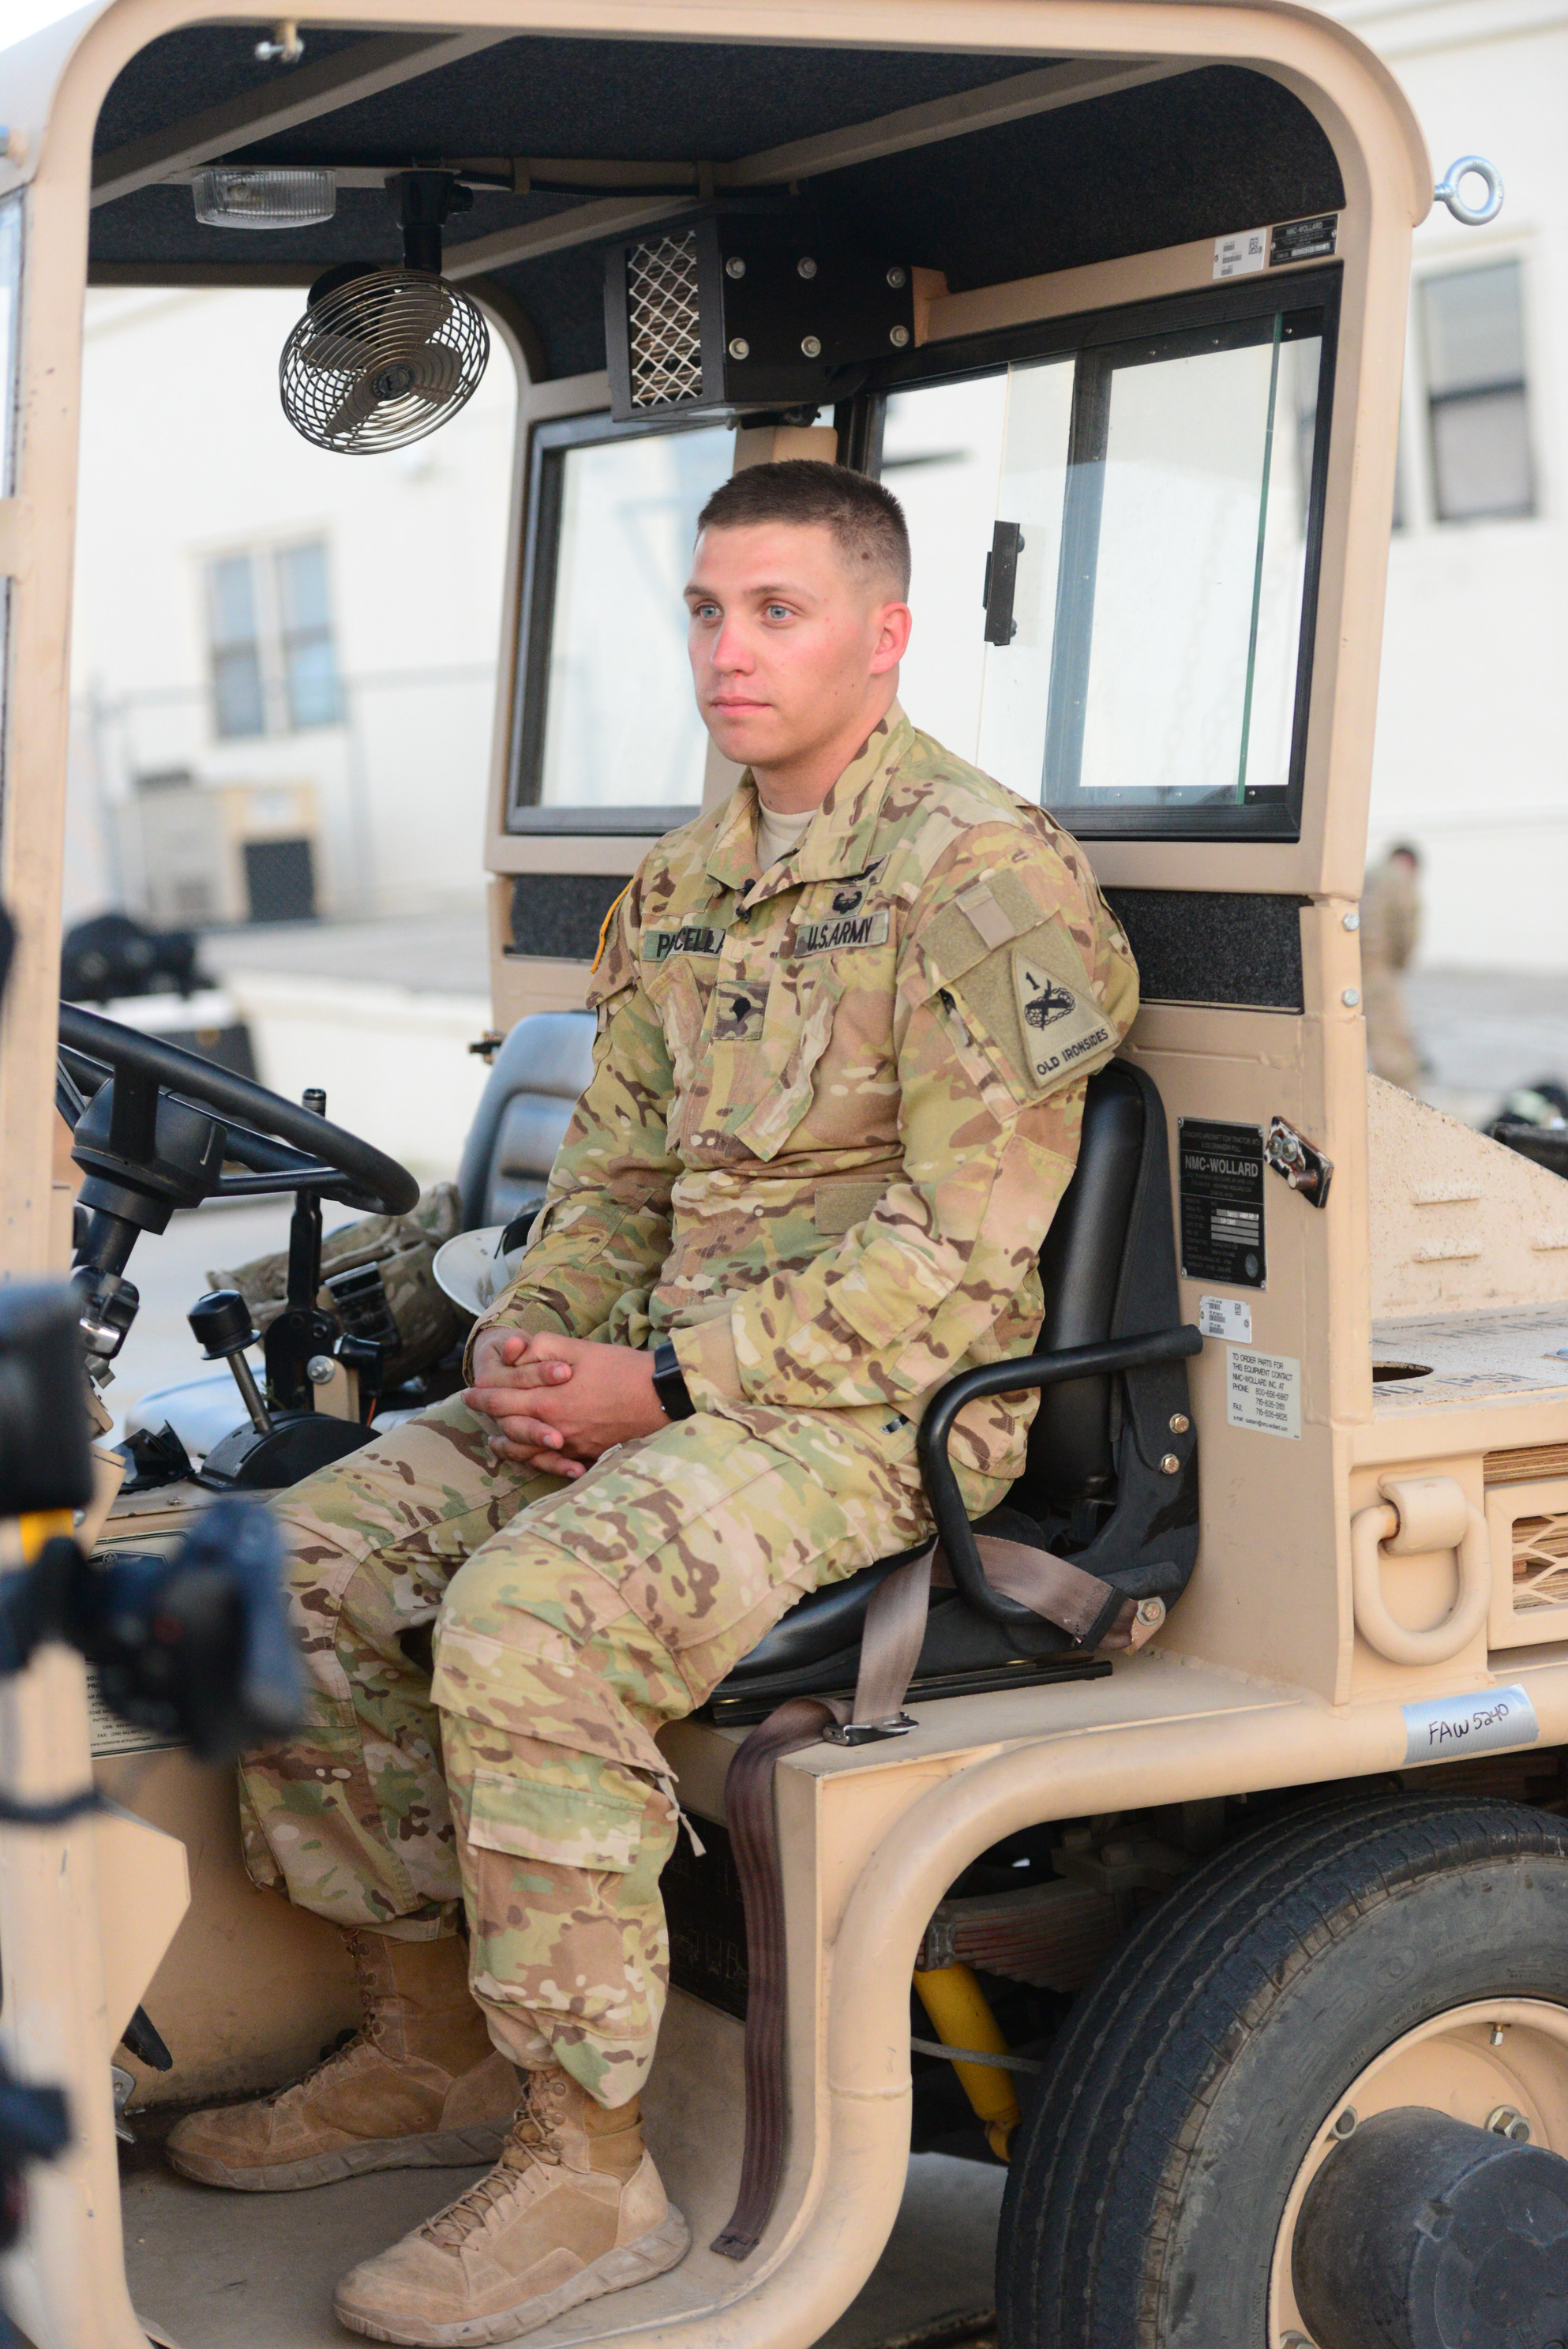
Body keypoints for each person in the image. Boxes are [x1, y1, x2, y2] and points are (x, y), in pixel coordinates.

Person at [164, 460, 1138, 2346]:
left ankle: (584, 2162)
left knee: (531, 1626)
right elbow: (610, 1188)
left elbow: (955, 1269)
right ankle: (428, 2044)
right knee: (281, 1562)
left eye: (774, 611)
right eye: (704, 609)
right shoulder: (689, 885)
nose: (726, 649)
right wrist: (527, 1353)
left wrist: (666, 1382)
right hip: (660, 1390)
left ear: (883, 634)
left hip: (863, 1416)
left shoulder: (977, 878)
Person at [1360, 842, 1423, 1091]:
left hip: (1342, 967)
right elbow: (1406, 929)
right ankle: (1408, 1116)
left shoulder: (1365, 876)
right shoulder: (1400, 879)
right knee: (1393, 1051)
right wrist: (1398, 964)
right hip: (1377, 970)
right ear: (1411, 863)